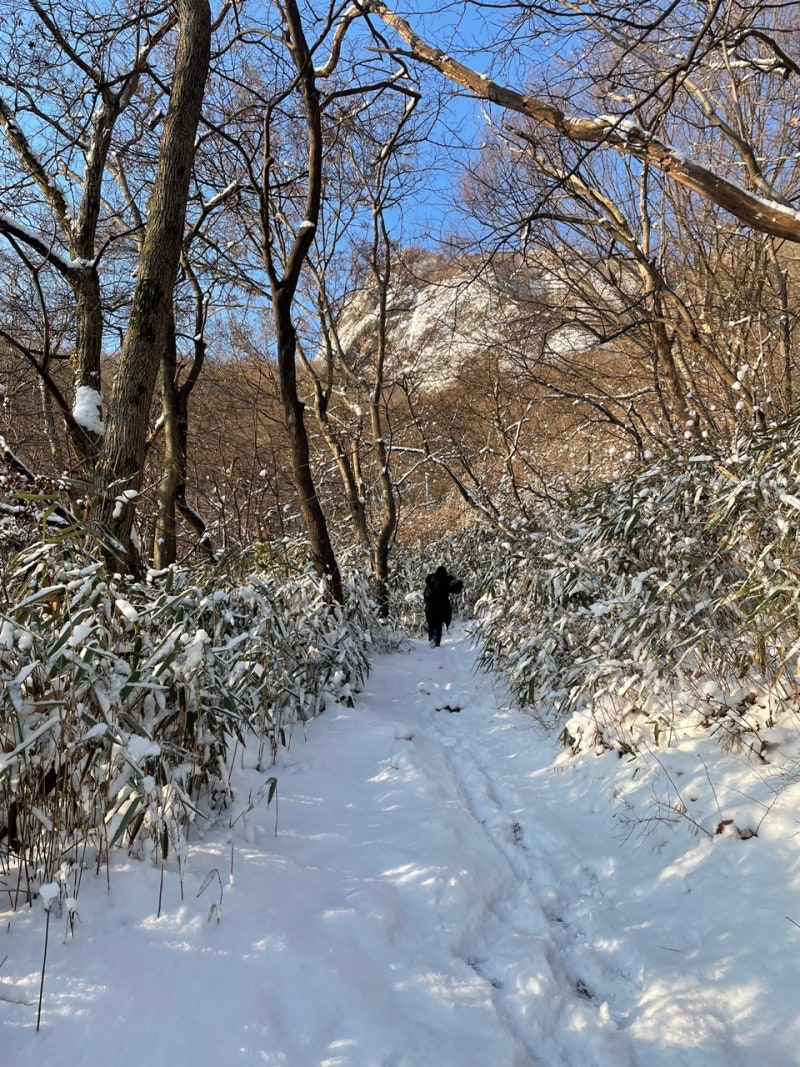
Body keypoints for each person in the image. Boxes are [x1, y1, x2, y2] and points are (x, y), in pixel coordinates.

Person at [423, 565, 463, 647]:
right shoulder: (444, 583)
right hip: (440, 609)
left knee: (431, 624)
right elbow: (455, 589)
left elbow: (426, 596)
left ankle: (432, 640)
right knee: (438, 626)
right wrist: (459, 582)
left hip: (430, 608)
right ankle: (436, 643)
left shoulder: (430, 582)